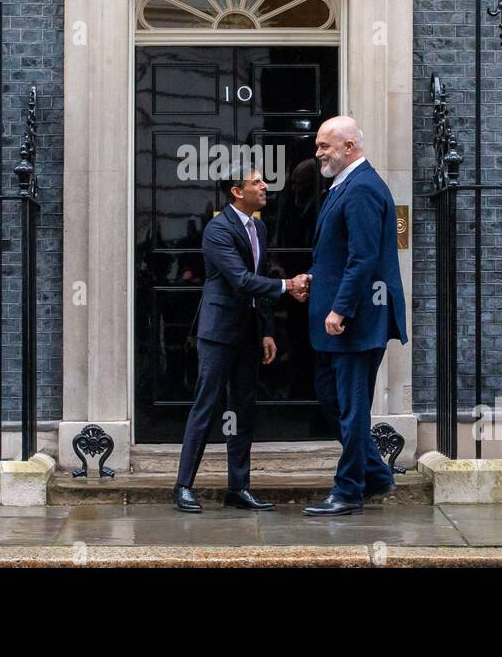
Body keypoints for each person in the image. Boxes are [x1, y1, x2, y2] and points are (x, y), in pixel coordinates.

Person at [173, 163, 311, 513]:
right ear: (237, 191)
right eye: (257, 182)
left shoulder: (260, 228)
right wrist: (287, 286)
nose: (265, 186)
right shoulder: (217, 230)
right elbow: (241, 280)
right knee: (206, 407)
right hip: (219, 332)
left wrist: (266, 330)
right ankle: (183, 485)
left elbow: (258, 279)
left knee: (243, 410)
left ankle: (238, 487)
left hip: (249, 333)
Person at [301, 117, 408, 517]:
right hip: (342, 319)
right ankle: (376, 475)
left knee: (351, 406)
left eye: (325, 145)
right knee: (334, 399)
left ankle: (348, 491)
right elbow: (339, 254)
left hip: (356, 321)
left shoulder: (362, 188)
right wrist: (317, 280)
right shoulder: (344, 185)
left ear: (349, 147)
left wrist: (341, 307)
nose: (318, 153)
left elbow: (363, 258)